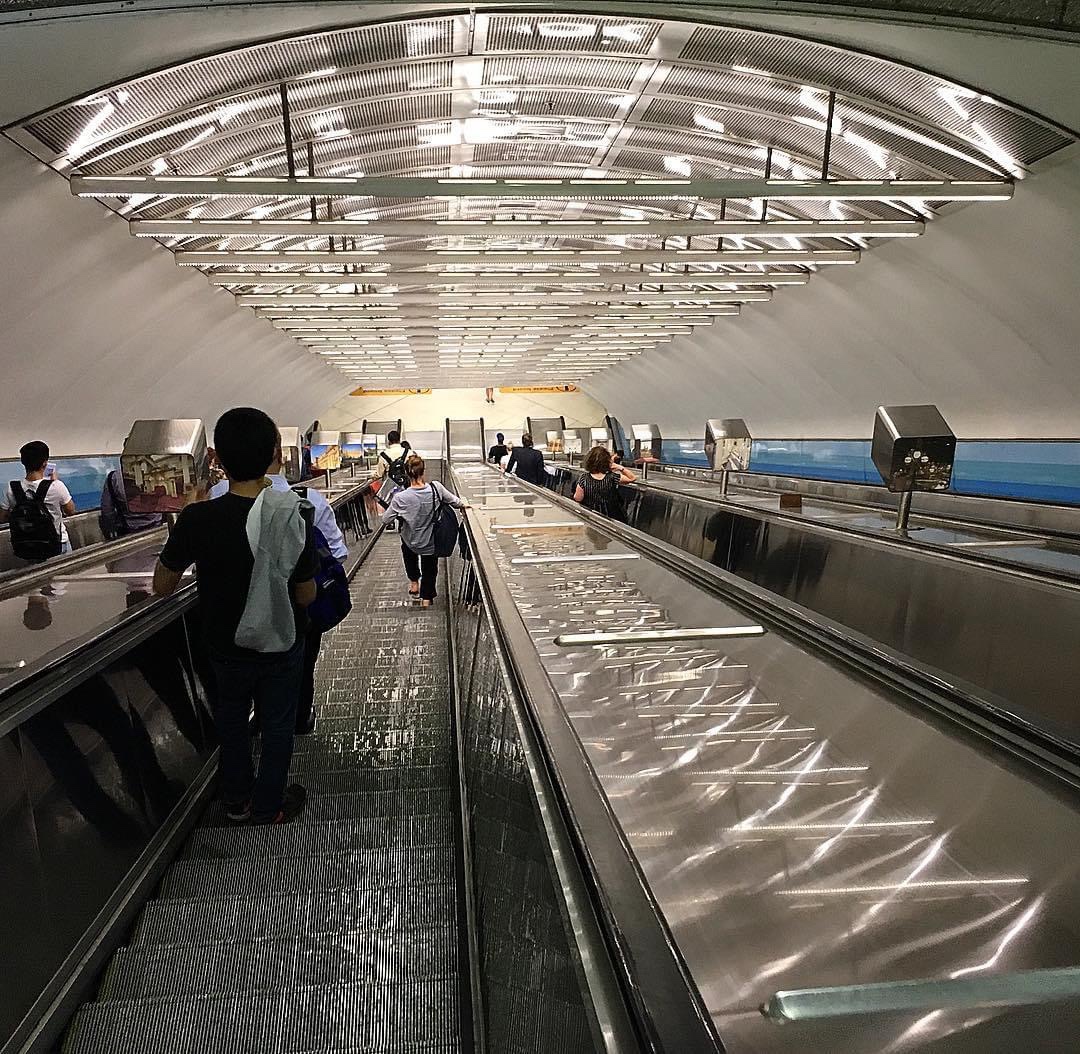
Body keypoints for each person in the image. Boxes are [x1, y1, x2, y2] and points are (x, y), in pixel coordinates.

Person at [153, 407, 317, 826]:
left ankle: (236, 801)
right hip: (281, 642)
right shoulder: (291, 512)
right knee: (277, 723)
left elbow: (162, 585)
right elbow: (306, 593)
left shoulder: (197, 517)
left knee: (231, 719)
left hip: (224, 644)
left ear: (217, 460)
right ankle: (269, 805)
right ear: (273, 456)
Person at [210, 436, 348, 736]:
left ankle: (247, 736)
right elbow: (337, 553)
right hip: (296, 613)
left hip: (232, 616)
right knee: (297, 671)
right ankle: (295, 722)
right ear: (280, 455)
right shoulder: (308, 499)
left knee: (237, 689)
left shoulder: (213, 498)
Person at [381, 454, 467, 608]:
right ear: (423, 471)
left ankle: (414, 582)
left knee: (407, 550)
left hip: (411, 541)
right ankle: (426, 598)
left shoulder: (401, 498)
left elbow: (386, 520)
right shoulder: (436, 488)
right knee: (430, 567)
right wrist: (467, 506)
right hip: (431, 541)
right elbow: (456, 502)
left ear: (407, 473)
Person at [0, 441, 76, 560]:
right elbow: (71, 510)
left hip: (28, 546)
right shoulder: (56, 486)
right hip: (57, 543)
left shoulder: (12, 488)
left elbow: (2, 517)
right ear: (45, 464)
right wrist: (54, 482)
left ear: (23, 463)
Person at [574, 445, 638, 522]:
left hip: (591, 515)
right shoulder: (612, 477)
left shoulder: (584, 478)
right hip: (612, 517)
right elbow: (632, 478)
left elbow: (578, 498)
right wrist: (619, 467)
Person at [99, 467, 161, 539]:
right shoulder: (157, 473)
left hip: (128, 531)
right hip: (157, 528)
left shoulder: (113, 478)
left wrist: (112, 531)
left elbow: (107, 510)